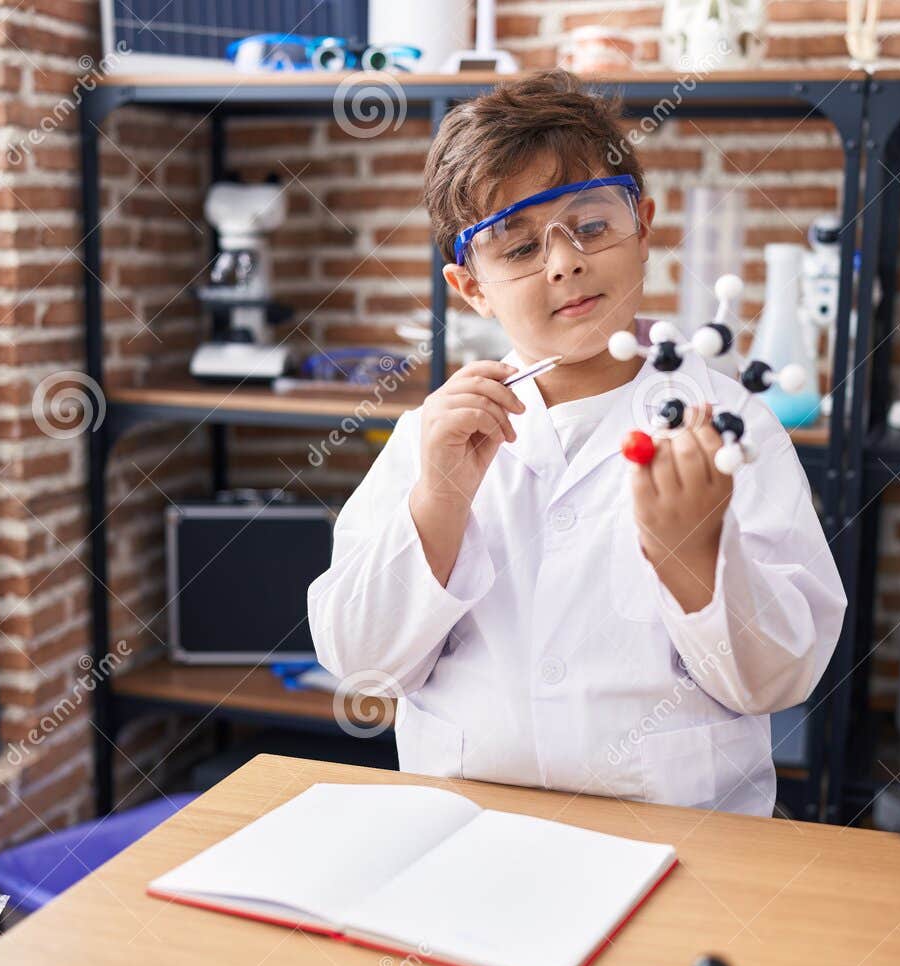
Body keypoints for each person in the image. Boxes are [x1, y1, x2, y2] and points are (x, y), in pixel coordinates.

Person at [307, 70, 846, 816]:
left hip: (681, 839)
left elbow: (781, 678)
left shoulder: (728, 423)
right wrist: (438, 505)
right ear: (471, 287)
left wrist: (696, 555)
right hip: (468, 834)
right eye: (519, 246)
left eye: (591, 225)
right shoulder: (433, 439)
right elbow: (362, 661)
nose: (564, 261)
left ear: (643, 227)